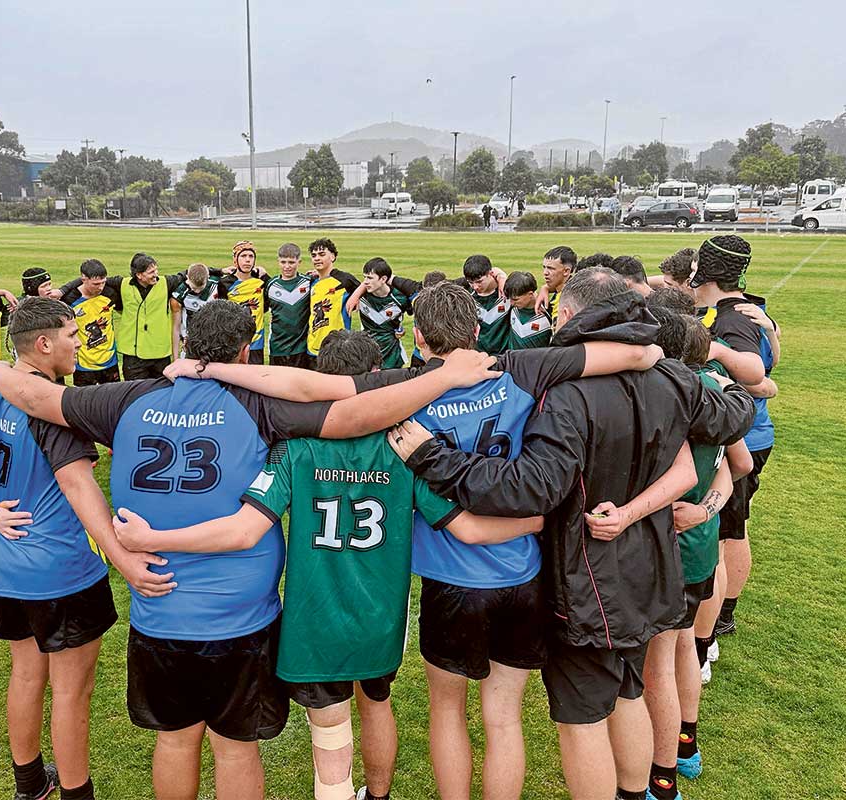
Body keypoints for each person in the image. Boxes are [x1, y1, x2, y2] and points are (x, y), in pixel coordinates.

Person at [0, 299, 500, 800]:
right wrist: (444, 377)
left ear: (186, 339)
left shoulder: (127, 398)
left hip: (159, 606)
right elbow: (357, 413)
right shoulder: (257, 402)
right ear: (246, 354)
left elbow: (41, 400)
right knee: (235, 748)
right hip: (241, 615)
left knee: (175, 739)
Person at [203, 281, 668, 800]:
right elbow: (637, 351)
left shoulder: (404, 390)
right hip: (521, 572)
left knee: (447, 713)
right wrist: (654, 349)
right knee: (504, 719)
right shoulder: (521, 367)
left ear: (418, 337)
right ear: (476, 328)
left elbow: (301, 386)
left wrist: (211, 367)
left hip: (452, 581)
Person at [111, 329, 544, 800]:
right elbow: (469, 529)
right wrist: (540, 520)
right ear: (377, 378)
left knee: (330, 730)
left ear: (321, 378)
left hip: (315, 615)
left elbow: (244, 529)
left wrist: (149, 538)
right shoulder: (406, 448)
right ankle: (378, 796)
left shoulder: (294, 449)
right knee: (377, 705)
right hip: (378, 612)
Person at [387, 268, 757, 800]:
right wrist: (717, 377)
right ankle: (651, 787)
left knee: (581, 714)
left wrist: (431, 459)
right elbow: (731, 419)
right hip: (648, 568)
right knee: (627, 690)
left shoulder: (565, 390)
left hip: (584, 576)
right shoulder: (671, 376)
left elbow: (531, 488)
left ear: (566, 317)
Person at [0, 298, 174, 800]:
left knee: (26, 673)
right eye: (71, 334)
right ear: (43, 344)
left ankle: (28, 785)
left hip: (4, 569)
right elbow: (79, 489)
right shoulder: (45, 404)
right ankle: (74, 792)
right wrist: (123, 558)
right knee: (71, 691)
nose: (80, 341)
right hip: (60, 571)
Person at [640, 310, 752, 800]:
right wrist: (708, 511)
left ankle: (660, 777)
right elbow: (740, 461)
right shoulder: (716, 389)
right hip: (700, 548)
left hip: (665, 552)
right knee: (685, 646)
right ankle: (686, 745)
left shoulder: (665, 400)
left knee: (656, 664)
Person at [688, 236, 778, 640]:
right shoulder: (748, 309)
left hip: (741, 439)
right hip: (745, 435)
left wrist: (725, 361)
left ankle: (716, 623)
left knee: (724, 537)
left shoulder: (732, 320)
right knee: (728, 532)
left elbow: (755, 374)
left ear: (704, 271)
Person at [59, 259, 122, 386]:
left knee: (112, 401)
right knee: (86, 403)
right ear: (83, 279)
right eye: (96, 284)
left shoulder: (110, 294)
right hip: (83, 365)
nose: (100, 287)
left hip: (110, 360)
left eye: (103, 283)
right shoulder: (70, 300)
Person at [305, 238, 360, 365]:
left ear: (333, 256)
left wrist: (356, 296)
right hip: (313, 348)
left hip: (337, 348)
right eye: (314, 255)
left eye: (322, 254)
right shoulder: (311, 282)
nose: (317, 258)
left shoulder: (344, 279)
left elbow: (367, 287)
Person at [354, 258, 414, 369]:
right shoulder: (360, 295)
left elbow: (413, 316)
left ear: (383, 279)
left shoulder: (400, 298)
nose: (365, 282)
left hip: (392, 353)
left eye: (370, 278)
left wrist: (400, 329)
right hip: (367, 351)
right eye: (365, 277)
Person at [218, 241, 270, 365]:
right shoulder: (225, 283)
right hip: (233, 342)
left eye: (251, 256)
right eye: (243, 256)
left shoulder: (261, 281)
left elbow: (266, 306)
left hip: (256, 343)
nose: (247, 260)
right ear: (235, 260)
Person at [263, 243, 313, 368]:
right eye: (283, 262)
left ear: (299, 262)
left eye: (291, 262)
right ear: (278, 262)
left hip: (300, 349)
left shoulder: (308, 282)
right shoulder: (271, 285)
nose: (287, 266)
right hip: (277, 347)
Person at [461, 255, 510, 355]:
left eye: (479, 282)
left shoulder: (507, 291)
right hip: (478, 357)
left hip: (504, 357)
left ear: (490, 274)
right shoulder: (467, 295)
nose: (475, 287)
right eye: (471, 282)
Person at [170, 263, 218, 361]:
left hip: (211, 342)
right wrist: (175, 358)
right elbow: (176, 327)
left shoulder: (216, 285)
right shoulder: (179, 295)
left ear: (208, 277)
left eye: (201, 287)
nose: (197, 291)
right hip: (189, 343)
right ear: (187, 277)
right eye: (194, 287)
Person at [503, 270, 553, 351]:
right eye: (510, 299)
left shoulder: (548, 312)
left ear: (530, 294)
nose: (511, 303)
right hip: (511, 361)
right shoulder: (513, 308)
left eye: (516, 299)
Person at [536, 245, 577, 320]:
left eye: (551, 268)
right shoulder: (563, 289)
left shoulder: (565, 303)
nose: (545, 272)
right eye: (544, 267)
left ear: (566, 271)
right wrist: (545, 288)